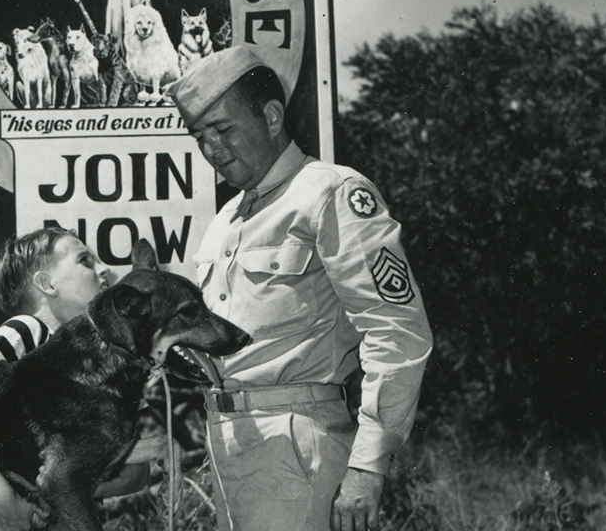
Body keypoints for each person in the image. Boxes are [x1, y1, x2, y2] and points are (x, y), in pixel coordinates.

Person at [167, 46, 433, 531]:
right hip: (229, 447)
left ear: (271, 116)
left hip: (299, 445)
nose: (211, 150)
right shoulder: (226, 220)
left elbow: (398, 333)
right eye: (199, 136)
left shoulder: (330, 193)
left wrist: (367, 465)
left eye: (223, 130)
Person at [0, 228, 174, 531]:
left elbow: (136, 475)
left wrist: (60, 484)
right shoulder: (29, 330)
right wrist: (0, 497)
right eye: (85, 261)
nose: (104, 269)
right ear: (46, 284)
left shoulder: (104, 360)